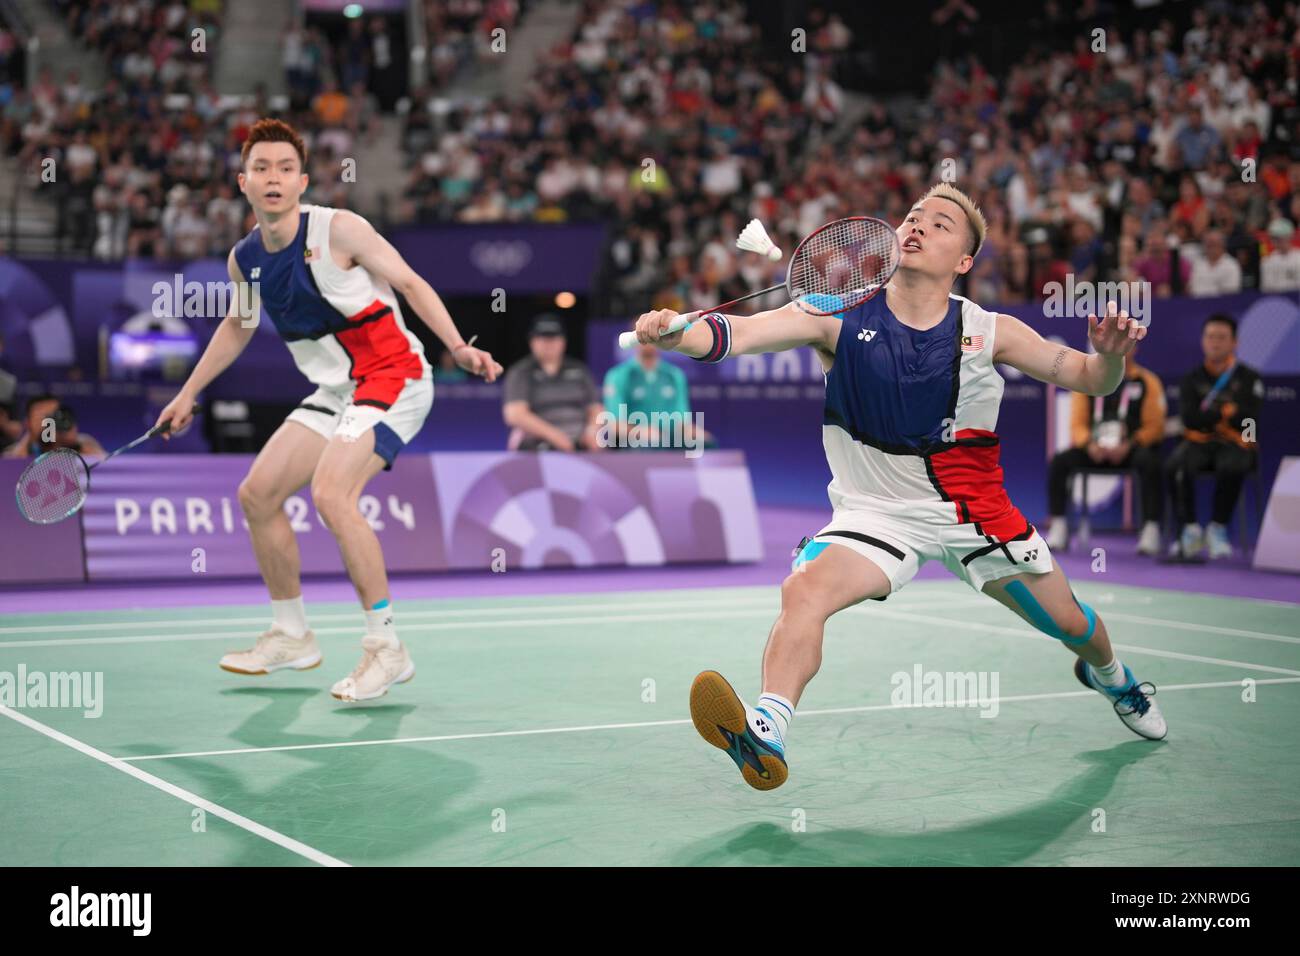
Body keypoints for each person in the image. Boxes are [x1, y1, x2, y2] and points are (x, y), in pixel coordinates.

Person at [632, 183, 1164, 792]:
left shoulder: (991, 331)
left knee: (1073, 626)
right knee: (803, 589)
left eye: (940, 224)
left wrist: (1111, 358)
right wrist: (678, 334)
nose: (917, 227)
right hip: (874, 512)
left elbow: (1090, 379)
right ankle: (767, 727)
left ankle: (1113, 677)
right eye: (913, 217)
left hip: (974, 514)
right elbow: (738, 334)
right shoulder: (836, 313)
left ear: (964, 260)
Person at [155, 118, 502, 701]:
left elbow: (412, 284)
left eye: (285, 169)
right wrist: (188, 392)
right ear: (243, 182)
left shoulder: (340, 230)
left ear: (302, 181)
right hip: (335, 391)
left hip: (396, 375)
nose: (273, 178)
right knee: (257, 493)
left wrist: (458, 346)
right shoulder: (245, 259)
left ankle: (386, 648)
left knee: (331, 493)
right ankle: (292, 635)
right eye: (261, 168)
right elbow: (238, 327)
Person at [1044, 343, 1166, 554]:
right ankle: (1058, 525)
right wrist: (1089, 444)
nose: (1119, 350)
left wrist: (1131, 443)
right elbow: (1077, 424)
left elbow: (1155, 426)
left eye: (1124, 345)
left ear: (1135, 348)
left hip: (1130, 449)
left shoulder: (1147, 381)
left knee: (1152, 462)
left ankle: (1150, 529)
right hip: (1095, 449)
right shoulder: (1087, 378)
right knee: (1060, 461)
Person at [1165, 314, 1262, 560]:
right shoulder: (1192, 378)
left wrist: (1235, 425)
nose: (1215, 343)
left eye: (1221, 337)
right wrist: (1225, 412)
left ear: (1234, 342)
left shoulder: (1249, 378)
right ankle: (1190, 530)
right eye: (1210, 337)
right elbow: (1190, 419)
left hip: (1235, 442)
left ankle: (1218, 529)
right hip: (1200, 441)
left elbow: (1251, 421)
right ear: (1202, 341)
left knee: (1234, 464)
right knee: (1175, 464)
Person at [502, 314, 603, 452]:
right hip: (537, 445)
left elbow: (595, 408)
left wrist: (592, 430)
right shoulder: (521, 372)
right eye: (543, 338)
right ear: (532, 341)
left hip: (580, 444)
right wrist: (555, 436)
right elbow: (515, 414)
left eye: (554, 338)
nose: (548, 343)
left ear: (563, 341)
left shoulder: (579, 370)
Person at [601, 341, 708, 450]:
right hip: (635, 441)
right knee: (649, 442)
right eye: (643, 337)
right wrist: (640, 432)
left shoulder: (674, 374)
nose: (648, 342)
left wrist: (692, 431)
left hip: (670, 438)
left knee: (703, 442)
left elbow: (683, 420)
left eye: (653, 337)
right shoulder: (619, 375)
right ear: (634, 341)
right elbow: (615, 425)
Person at [2, 394, 105, 459]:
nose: (49, 423)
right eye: (42, 417)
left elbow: (107, 467)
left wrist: (76, 446)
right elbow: (8, 473)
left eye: (54, 415)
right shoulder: (15, 451)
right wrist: (33, 435)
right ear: (28, 423)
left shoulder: (83, 443)